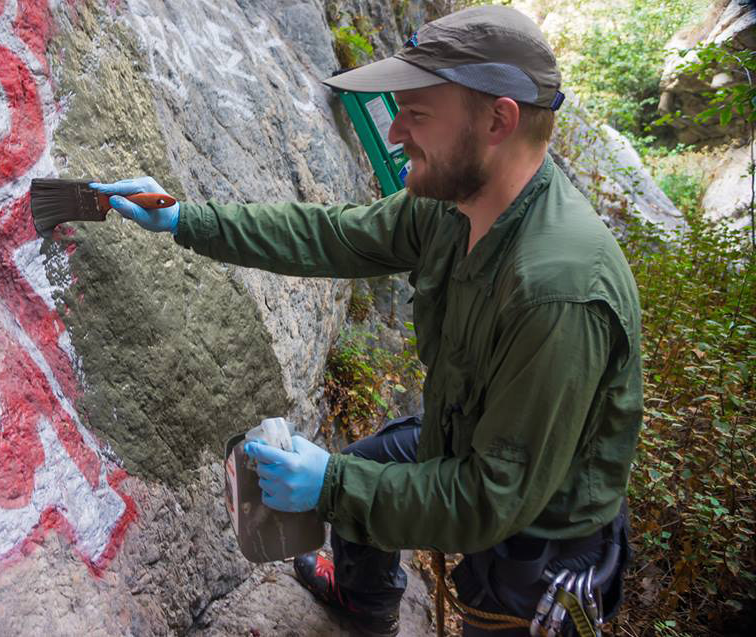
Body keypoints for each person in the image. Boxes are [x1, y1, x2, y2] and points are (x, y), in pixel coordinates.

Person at [90, 5, 642, 636]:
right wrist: (184, 217)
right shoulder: (454, 206)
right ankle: (366, 601)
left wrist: (329, 486)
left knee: (371, 500)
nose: (397, 132)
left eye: (418, 113)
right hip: (465, 438)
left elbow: (493, 499)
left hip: (540, 535)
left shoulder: (558, 293)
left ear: (498, 119)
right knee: (369, 464)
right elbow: (331, 236)